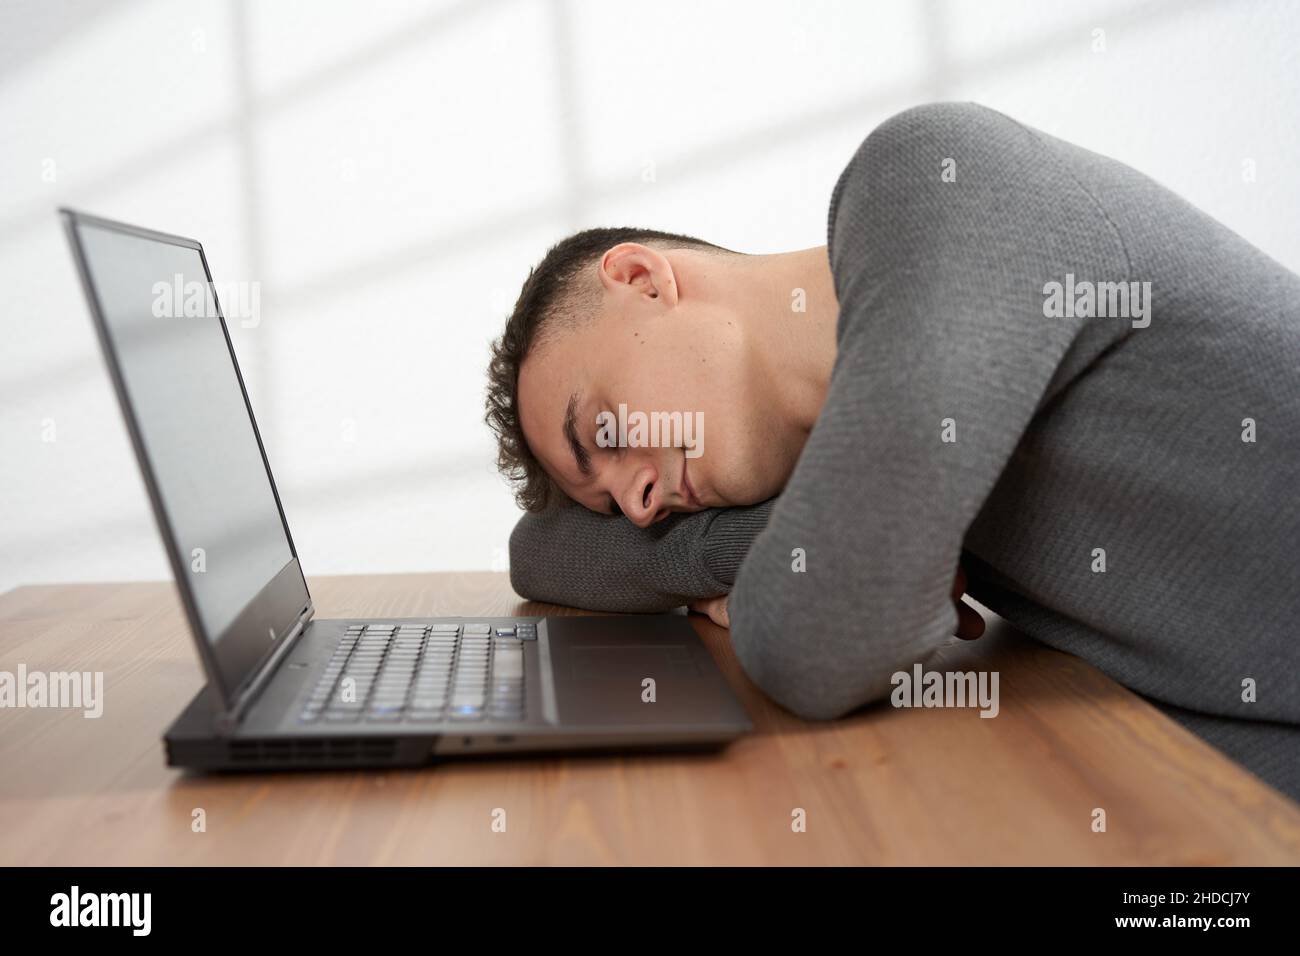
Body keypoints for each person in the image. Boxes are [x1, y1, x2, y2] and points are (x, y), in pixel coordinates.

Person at [484, 102, 1300, 799]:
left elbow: (815, 645)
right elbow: (541, 555)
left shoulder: (940, 178)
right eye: (612, 506)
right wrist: (744, 548)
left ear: (641, 279)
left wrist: (798, 575)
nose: (637, 505)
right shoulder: (853, 433)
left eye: (603, 433)